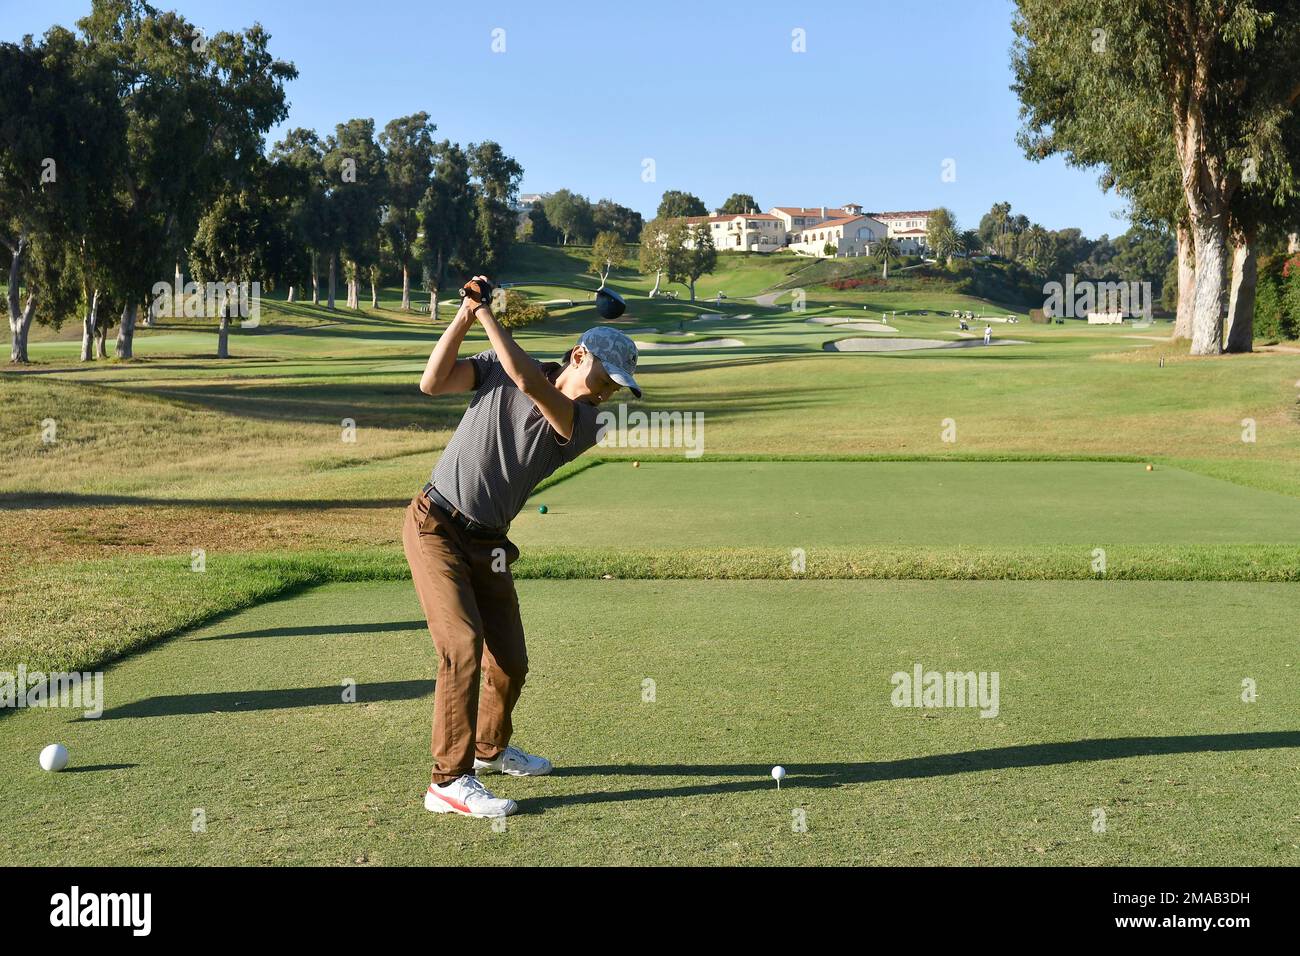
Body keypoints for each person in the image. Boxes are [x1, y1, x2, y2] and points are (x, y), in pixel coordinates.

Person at [404, 275, 641, 818]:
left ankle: (488, 750)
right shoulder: (496, 366)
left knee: (509, 661)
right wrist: (465, 315)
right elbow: (432, 383)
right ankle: (448, 780)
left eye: (617, 387)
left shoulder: (587, 423)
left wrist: (487, 313)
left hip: (488, 541)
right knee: (463, 645)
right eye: (608, 379)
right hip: (435, 523)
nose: (610, 393)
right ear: (579, 355)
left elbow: (532, 385)